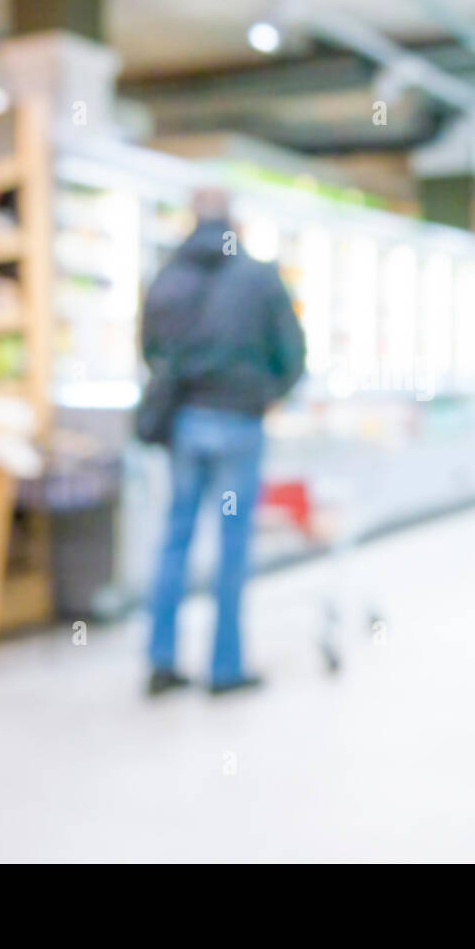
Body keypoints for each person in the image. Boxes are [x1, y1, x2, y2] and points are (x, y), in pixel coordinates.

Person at [141, 188, 305, 695]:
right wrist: (264, 394)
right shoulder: (260, 278)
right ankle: (225, 668)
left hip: (186, 425)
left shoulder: (166, 278)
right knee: (233, 548)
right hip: (239, 425)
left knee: (175, 540)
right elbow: (293, 355)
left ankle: (161, 663)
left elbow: (149, 351)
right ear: (234, 222)